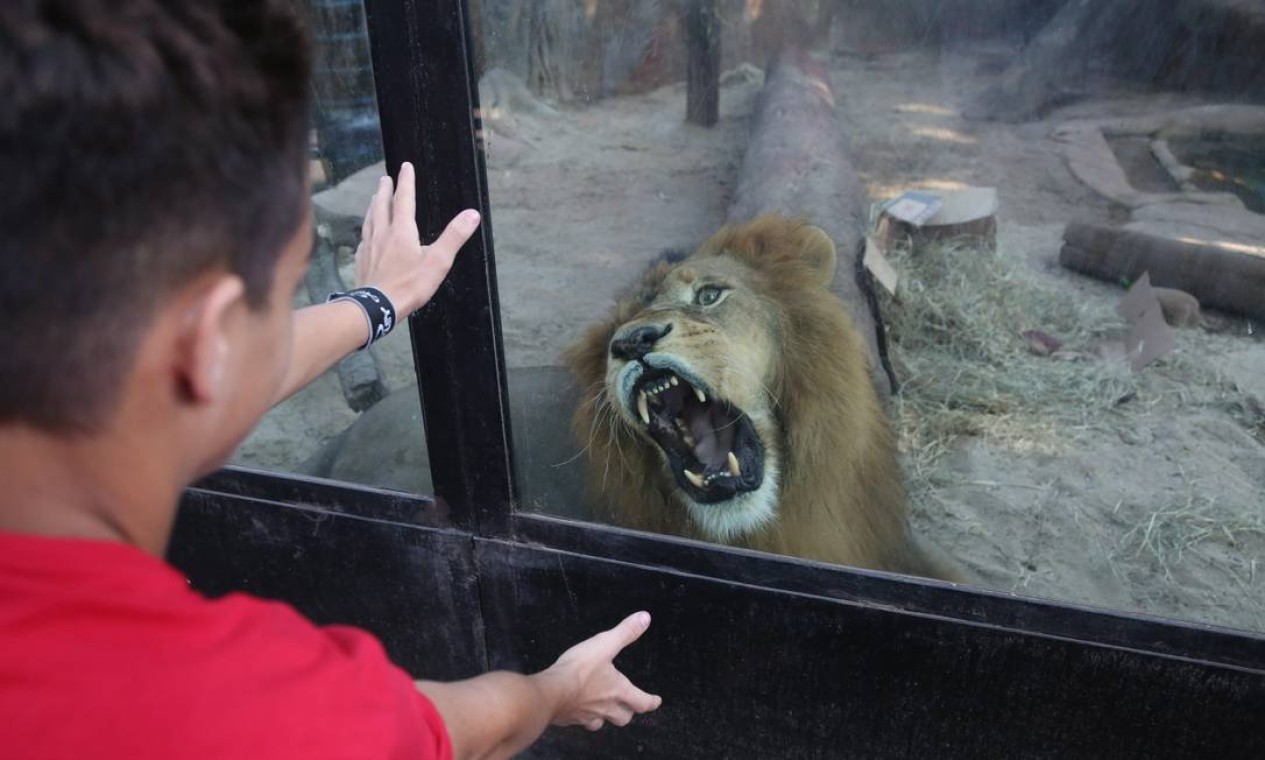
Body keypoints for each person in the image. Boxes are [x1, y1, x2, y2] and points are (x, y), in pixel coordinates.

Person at [0, 2, 661, 759]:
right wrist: (553, 691)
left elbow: (216, 362)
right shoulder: (236, 711)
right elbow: (440, 727)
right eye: (284, 295)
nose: (286, 321)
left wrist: (376, 304)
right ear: (207, 346)